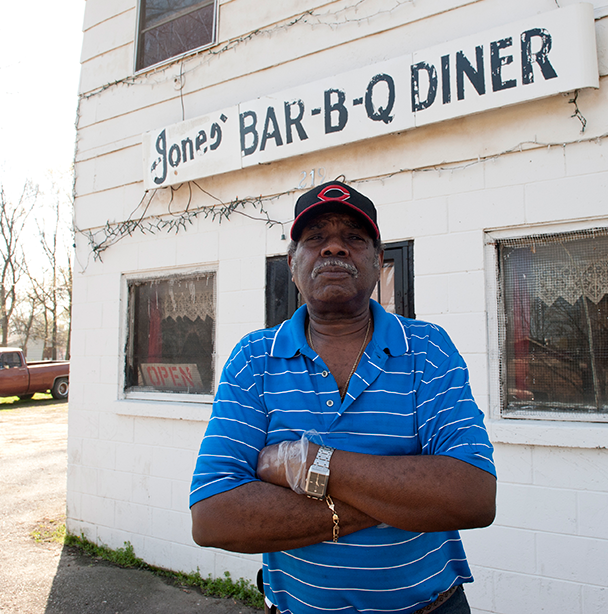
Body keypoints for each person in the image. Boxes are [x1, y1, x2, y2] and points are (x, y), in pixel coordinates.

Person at [189, 181, 497, 614]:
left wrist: (308, 462)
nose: (334, 248)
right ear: (293, 263)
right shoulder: (254, 359)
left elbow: (472, 496)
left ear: (379, 261)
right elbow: (213, 515)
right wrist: (403, 500)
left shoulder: (427, 349)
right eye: (315, 238)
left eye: (352, 237)